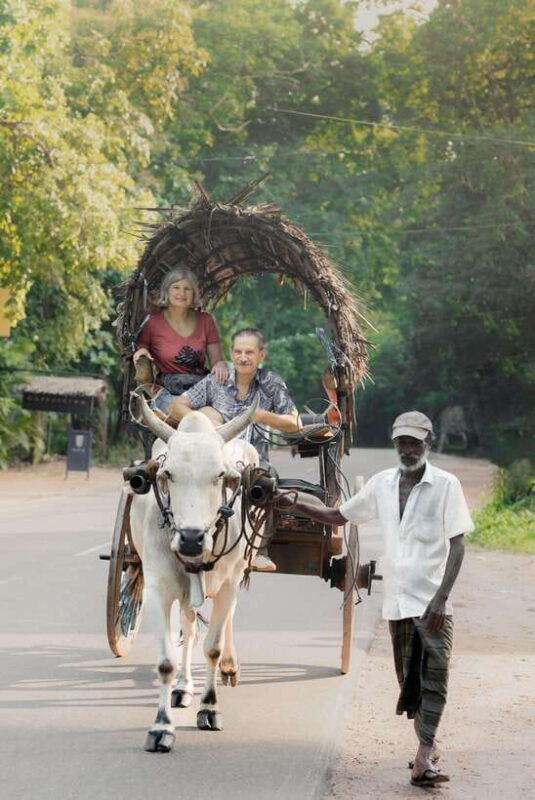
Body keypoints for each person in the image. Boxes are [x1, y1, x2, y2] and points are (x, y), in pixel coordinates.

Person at [276, 411, 473, 788]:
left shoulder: (447, 485)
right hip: (398, 603)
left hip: (433, 604)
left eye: (414, 442)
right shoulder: (382, 485)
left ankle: (422, 757)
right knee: (409, 683)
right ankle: (428, 746)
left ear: (427, 442)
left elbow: (458, 544)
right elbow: (337, 516)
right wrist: (294, 504)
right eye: (402, 441)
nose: (407, 448)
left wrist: (440, 598)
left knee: (437, 674)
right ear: (394, 442)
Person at [172, 326, 301, 571]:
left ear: (262, 355)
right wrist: (202, 424)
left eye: (250, 352)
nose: (244, 357)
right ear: (231, 353)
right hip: (214, 460)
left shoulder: (271, 382)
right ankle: (178, 532)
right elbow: (178, 406)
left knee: (267, 482)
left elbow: (295, 423)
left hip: (253, 461)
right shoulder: (217, 379)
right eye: (239, 351)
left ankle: (259, 550)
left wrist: (263, 415)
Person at [132, 267, 228, 415]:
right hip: (166, 393)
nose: (181, 293)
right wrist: (143, 350)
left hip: (199, 390)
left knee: (213, 417)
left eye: (187, 289)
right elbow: (142, 347)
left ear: (194, 294)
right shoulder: (153, 323)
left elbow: (217, 361)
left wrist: (221, 365)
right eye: (176, 287)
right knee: (194, 417)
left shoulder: (206, 320)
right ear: (167, 291)